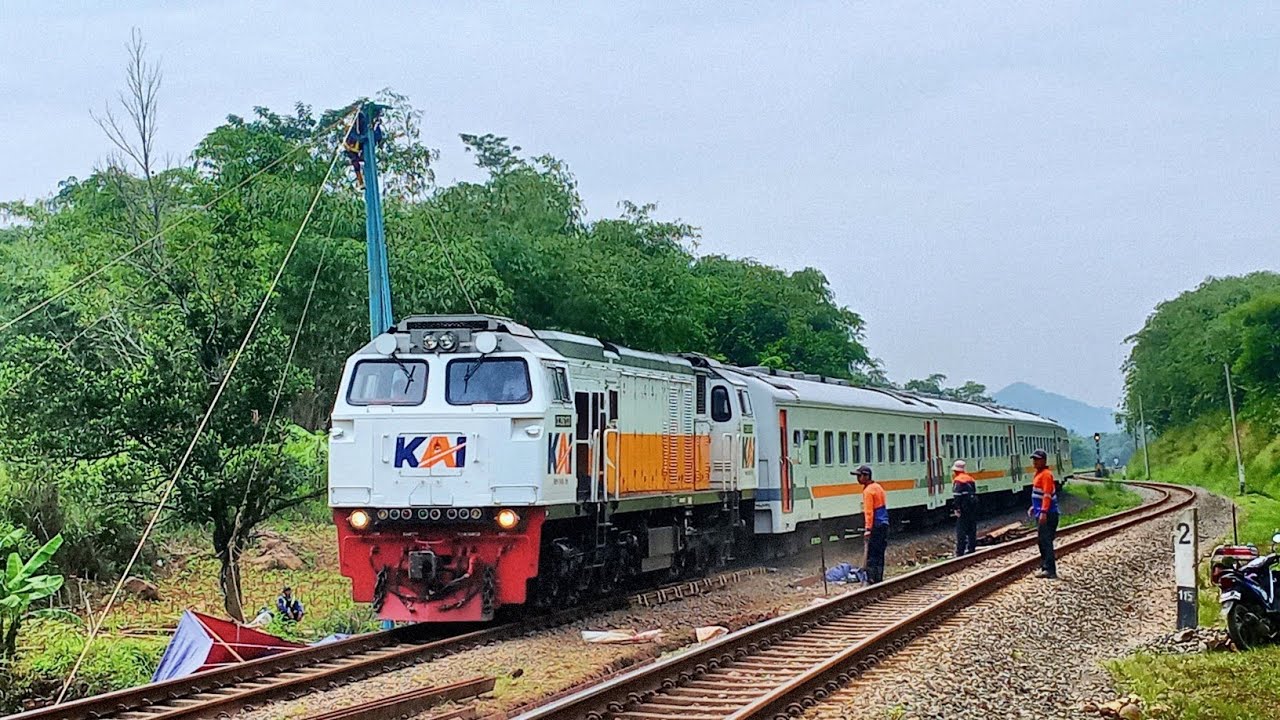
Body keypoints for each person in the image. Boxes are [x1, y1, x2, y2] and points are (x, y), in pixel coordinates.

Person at [854, 465, 889, 584]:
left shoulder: (868, 491)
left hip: (875, 525)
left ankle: (871, 579)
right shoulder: (878, 487)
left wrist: (868, 529)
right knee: (880, 553)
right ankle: (879, 577)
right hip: (884, 523)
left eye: (859, 476)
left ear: (866, 476)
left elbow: (869, 512)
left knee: (872, 554)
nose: (858, 479)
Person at [1028, 449, 1059, 579]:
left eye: (1037, 459)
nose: (1034, 462)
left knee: (1045, 541)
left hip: (1048, 513)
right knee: (1043, 541)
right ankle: (1045, 567)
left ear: (1044, 461)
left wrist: (1043, 512)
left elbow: (1047, 495)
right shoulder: (1038, 474)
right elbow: (1039, 495)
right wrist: (1034, 507)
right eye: (1034, 459)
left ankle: (1049, 570)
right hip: (1043, 511)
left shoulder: (1046, 475)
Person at [951, 460, 978, 556]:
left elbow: (957, 497)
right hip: (972, 507)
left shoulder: (958, 481)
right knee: (972, 528)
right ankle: (972, 548)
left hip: (963, 508)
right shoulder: (970, 479)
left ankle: (960, 551)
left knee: (961, 529)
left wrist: (957, 509)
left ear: (956, 471)